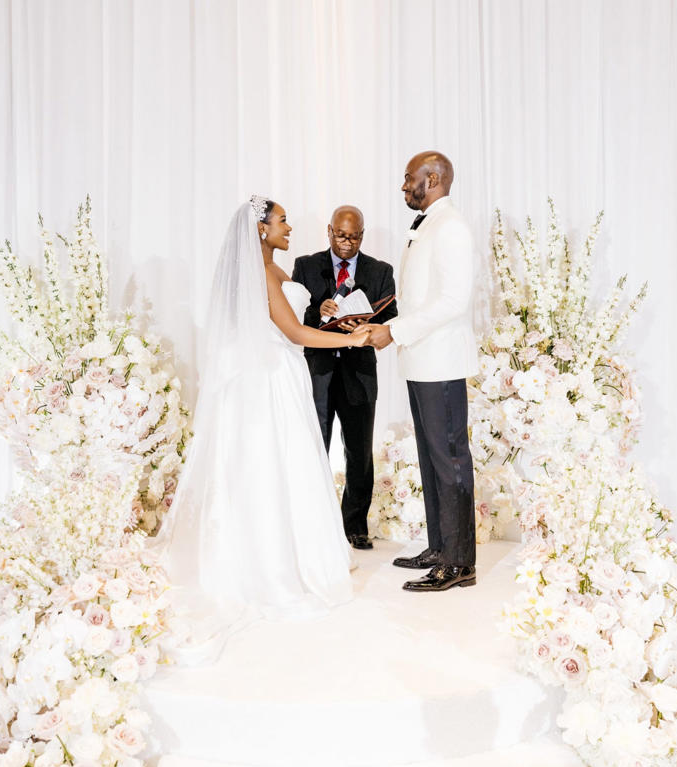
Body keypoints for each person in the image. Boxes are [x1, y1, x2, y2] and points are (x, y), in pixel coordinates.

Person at [153, 196, 370, 658]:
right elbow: (293, 334)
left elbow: (289, 323)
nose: (290, 228)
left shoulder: (273, 272)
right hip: (272, 379)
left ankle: (292, 550)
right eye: (283, 221)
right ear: (259, 229)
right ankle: (275, 563)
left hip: (281, 373)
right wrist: (351, 337)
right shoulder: (262, 273)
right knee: (276, 467)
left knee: (283, 467)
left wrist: (328, 314)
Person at [359, 152, 478, 592]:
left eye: (409, 178)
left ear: (431, 179)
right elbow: (418, 295)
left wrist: (395, 332)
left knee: (449, 460)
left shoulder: (451, 227)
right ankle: (440, 546)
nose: (403, 185)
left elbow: (452, 301)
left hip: (441, 361)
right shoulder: (429, 224)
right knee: (432, 459)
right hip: (423, 359)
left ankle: (459, 562)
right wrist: (380, 318)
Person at [292, 206, 396, 550]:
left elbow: (391, 319)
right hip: (317, 372)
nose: (347, 242)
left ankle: (354, 526)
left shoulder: (380, 270)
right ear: (329, 231)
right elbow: (292, 316)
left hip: (359, 373)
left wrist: (368, 327)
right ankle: (314, 523)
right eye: (341, 235)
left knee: (359, 453)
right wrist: (317, 310)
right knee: (313, 448)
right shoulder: (306, 266)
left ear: (362, 235)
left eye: (354, 236)